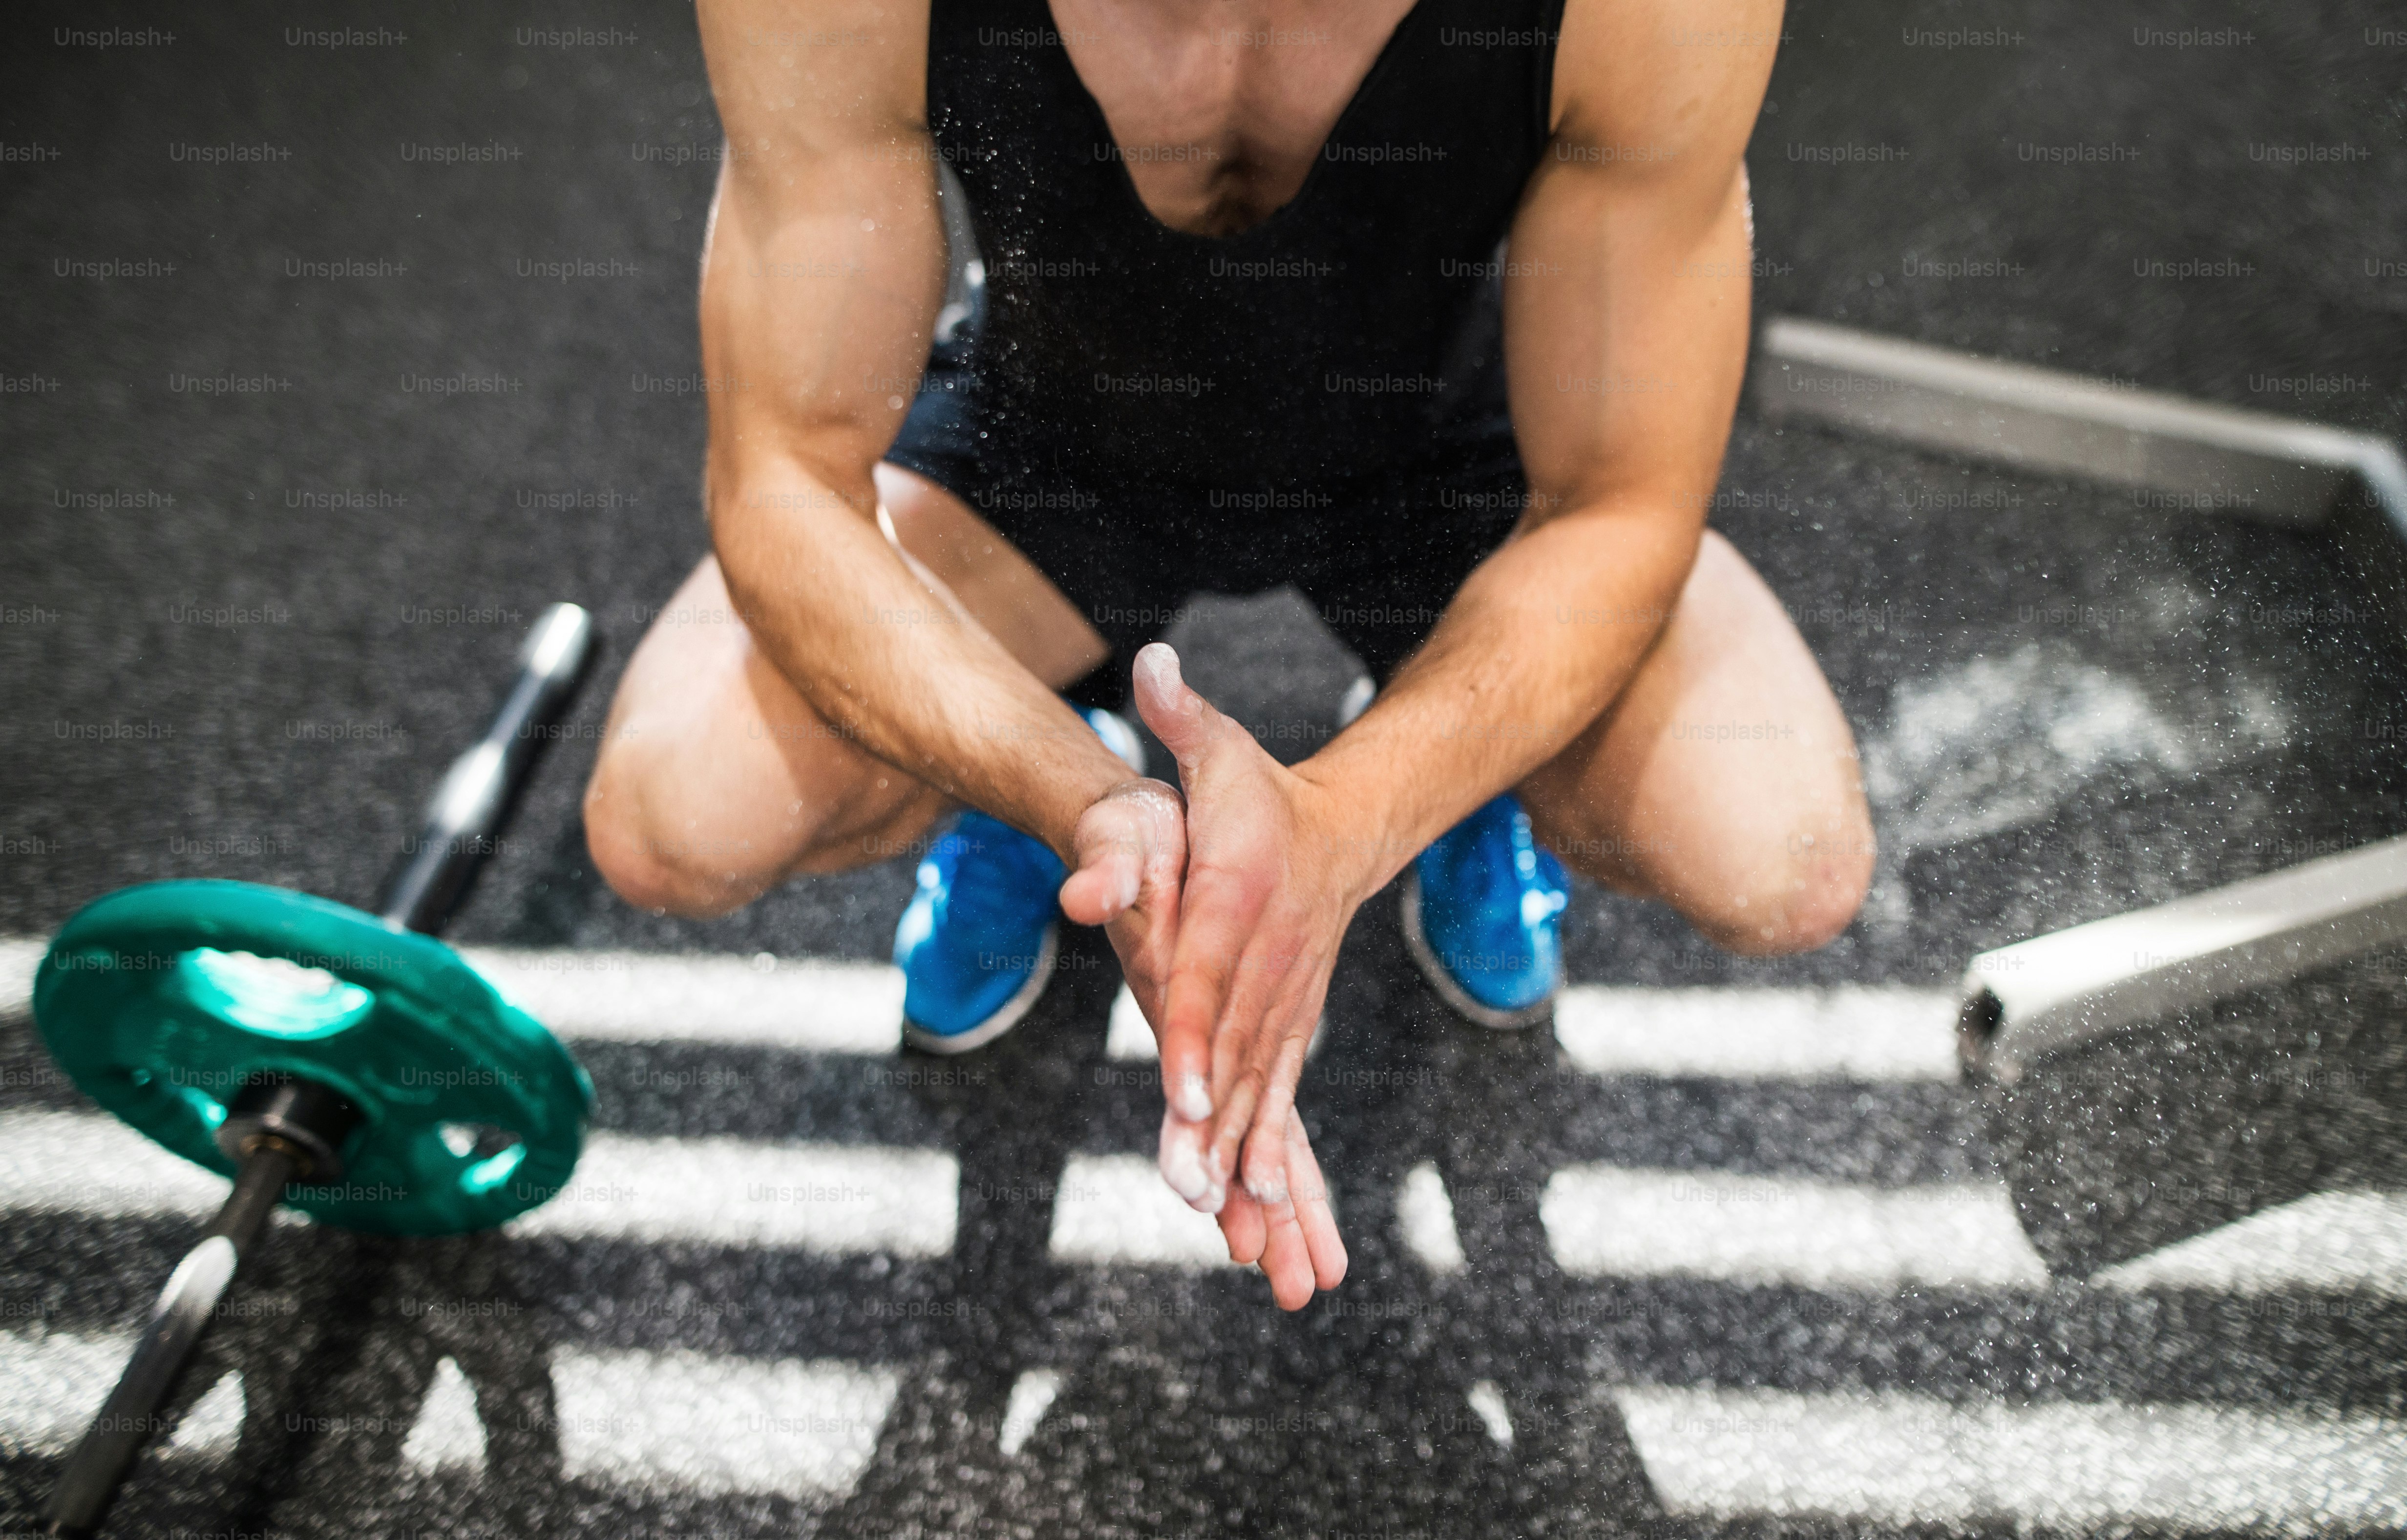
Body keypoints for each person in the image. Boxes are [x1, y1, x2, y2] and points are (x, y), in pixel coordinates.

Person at [583, 0, 1873, 1310]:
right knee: (678, 814)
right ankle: (1045, 754)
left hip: (1452, 457)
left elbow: (1619, 506)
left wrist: (1352, 817)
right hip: (1056, 441)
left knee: (1782, 856)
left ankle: (1456, 770)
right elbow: (785, 486)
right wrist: (1080, 803)